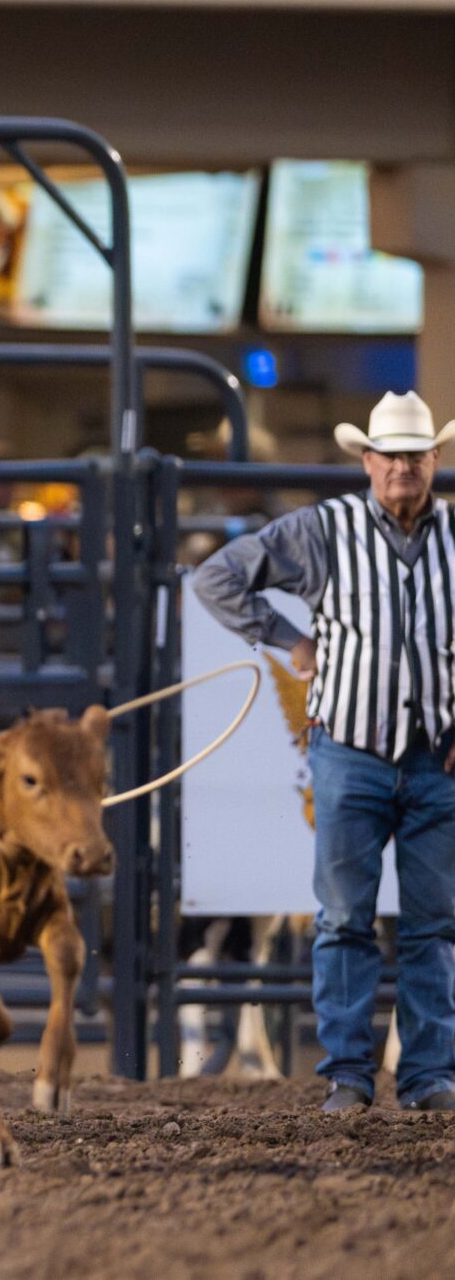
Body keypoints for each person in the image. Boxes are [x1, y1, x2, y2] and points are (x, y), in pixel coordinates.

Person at [195, 390, 455, 1114]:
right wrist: (287, 639)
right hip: (351, 749)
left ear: (434, 460)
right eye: (390, 455)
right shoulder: (324, 531)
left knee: (431, 922)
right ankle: (348, 1072)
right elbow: (217, 577)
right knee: (346, 917)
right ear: (368, 462)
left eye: (414, 454)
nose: (402, 466)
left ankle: (427, 1074)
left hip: (434, 754)